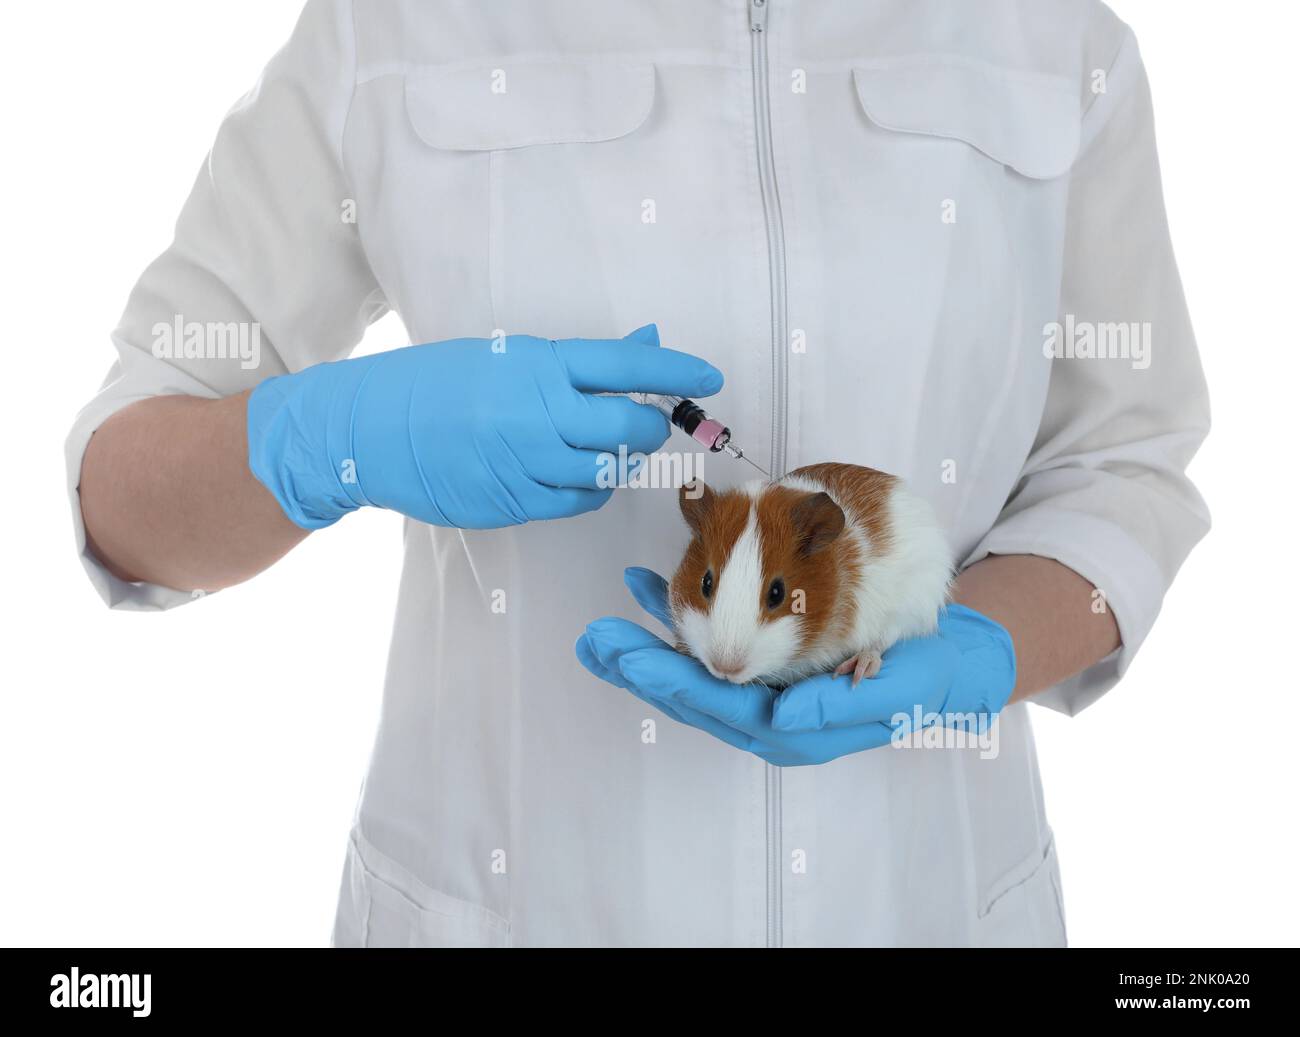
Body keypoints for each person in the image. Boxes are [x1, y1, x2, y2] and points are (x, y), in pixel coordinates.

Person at [69, 0, 1209, 947]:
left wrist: (979, 649)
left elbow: (1125, 460)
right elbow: (124, 498)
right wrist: (334, 433)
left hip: (926, 903)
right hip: (506, 904)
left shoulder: (1051, 41)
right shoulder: (393, 26)